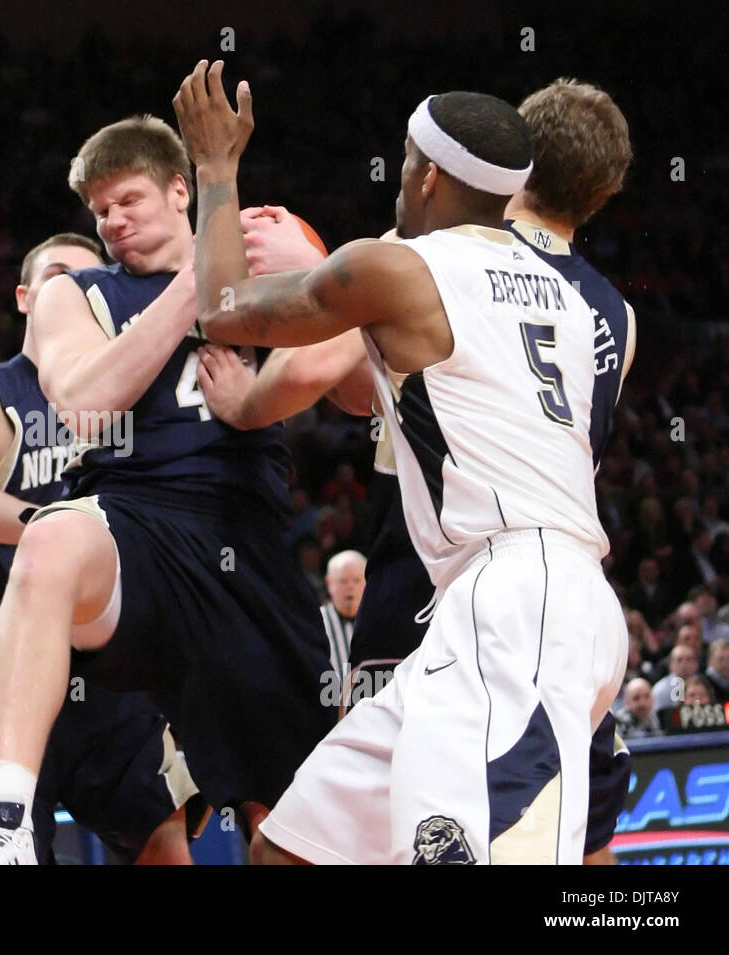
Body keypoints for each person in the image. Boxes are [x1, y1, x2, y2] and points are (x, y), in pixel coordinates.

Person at [176, 61, 626, 864]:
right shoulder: (586, 299)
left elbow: (223, 312)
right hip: (509, 603)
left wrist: (215, 171)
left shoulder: (401, 266)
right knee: (291, 849)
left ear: (423, 175)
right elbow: (377, 389)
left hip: (518, 603)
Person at [0, 112, 334, 863]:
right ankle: (1, 822)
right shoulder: (77, 293)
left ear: (181, 189)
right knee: (52, 535)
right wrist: (195, 284)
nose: (112, 220)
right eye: (98, 211)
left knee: (294, 826)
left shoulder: (259, 264)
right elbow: (88, 410)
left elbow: (339, 358)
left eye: (127, 200)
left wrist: (255, 397)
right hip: (138, 527)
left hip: (247, 541)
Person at [0, 233, 199, 863]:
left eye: (88, 281)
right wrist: (65, 533)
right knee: (1, 850)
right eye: (56, 278)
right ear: (25, 298)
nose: (72, 292)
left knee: (162, 833)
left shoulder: (127, 399)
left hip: (101, 651)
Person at [320, 549, 365, 710]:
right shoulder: (318, 622)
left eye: (357, 580)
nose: (350, 587)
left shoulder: (378, 621)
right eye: (343, 581)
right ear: (329, 583)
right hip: (328, 711)